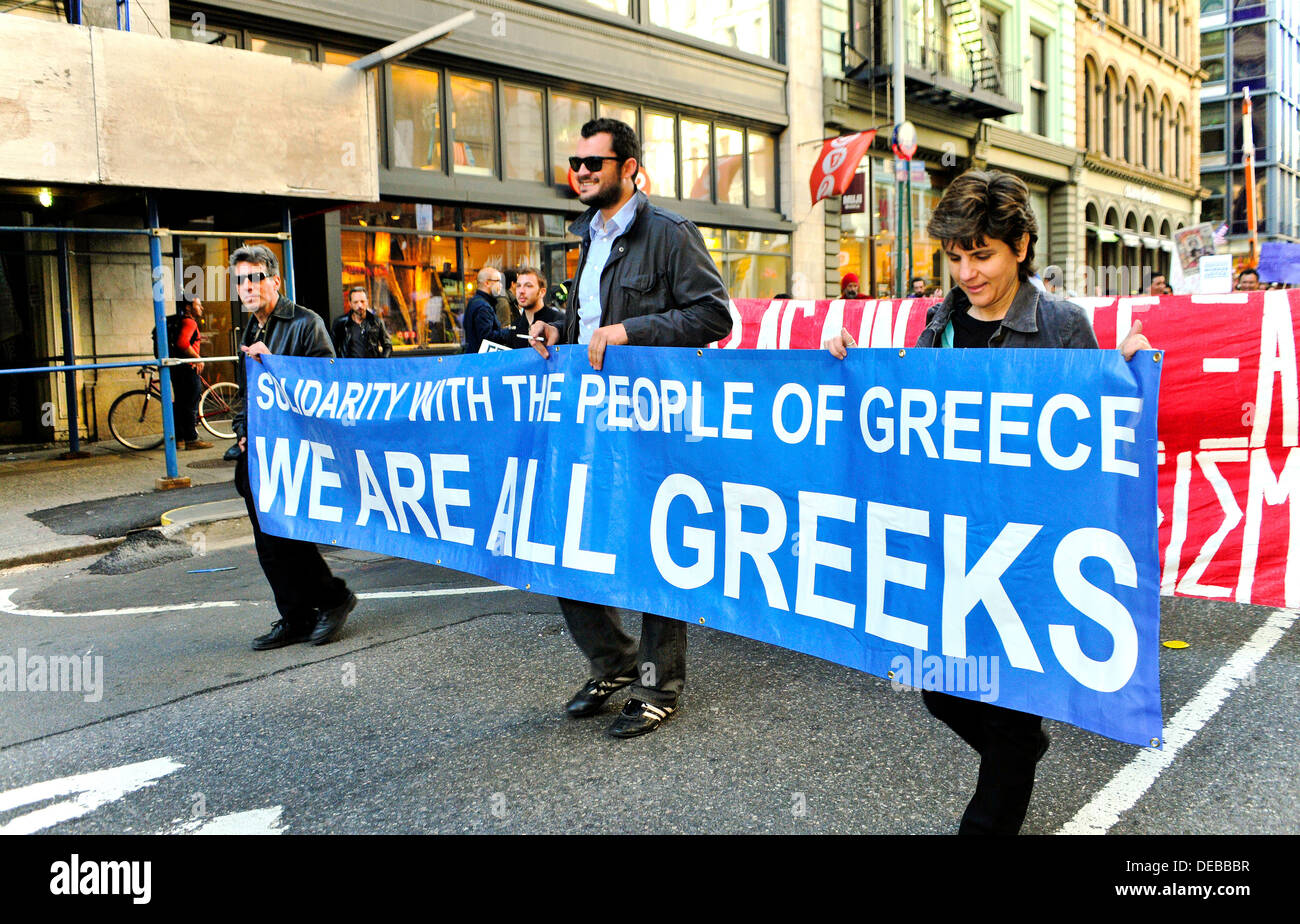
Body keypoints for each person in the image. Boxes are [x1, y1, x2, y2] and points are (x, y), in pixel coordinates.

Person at [827, 169, 1150, 834]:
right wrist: (853, 367)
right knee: (939, 689)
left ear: (1021, 246)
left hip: (1030, 553)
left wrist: (1128, 373)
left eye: (983, 255)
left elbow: (1098, 436)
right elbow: (910, 415)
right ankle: (1023, 747)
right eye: (956, 256)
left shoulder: (1062, 325)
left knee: (1008, 710)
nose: (968, 272)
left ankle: (1002, 784)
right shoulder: (940, 321)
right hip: (956, 546)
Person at [527, 117, 732, 738]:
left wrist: (631, 333)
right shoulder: (588, 236)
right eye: (576, 162)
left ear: (629, 168)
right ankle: (611, 662)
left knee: (651, 549)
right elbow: (591, 313)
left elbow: (713, 314)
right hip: (588, 416)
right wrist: (559, 328)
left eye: (595, 163)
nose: (582, 172)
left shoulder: (669, 234)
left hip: (651, 422)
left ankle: (657, 684)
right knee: (562, 539)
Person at [229, 244, 357, 651]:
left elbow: (327, 384)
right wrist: (241, 430)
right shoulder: (250, 328)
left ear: (275, 281)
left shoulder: (306, 323)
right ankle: (296, 617)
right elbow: (246, 390)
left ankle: (334, 599)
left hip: (296, 446)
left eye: (254, 278)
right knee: (267, 540)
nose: (247, 288)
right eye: (239, 282)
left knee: (288, 533)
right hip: (260, 449)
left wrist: (279, 363)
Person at [171, 295, 212, 451]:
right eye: (198, 305)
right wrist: (198, 358)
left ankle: (179, 439)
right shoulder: (189, 322)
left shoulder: (180, 322)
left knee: (181, 404)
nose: (201, 308)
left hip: (178, 368)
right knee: (190, 404)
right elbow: (182, 343)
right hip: (188, 368)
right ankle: (191, 439)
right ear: (188, 307)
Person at [462, 267, 515, 354]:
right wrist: (508, 332)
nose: (501, 286)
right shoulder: (483, 307)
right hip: (481, 361)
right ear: (487, 283)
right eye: (498, 281)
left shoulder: (474, 302)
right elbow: (487, 338)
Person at [331, 286, 393, 359]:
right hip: (349, 368)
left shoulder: (376, 321)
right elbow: (332, 348)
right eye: (356, 302)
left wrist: (381, 363)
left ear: (367, 301)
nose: (359, 305)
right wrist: (340, 365)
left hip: (371, 367)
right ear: (350, 303)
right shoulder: (340, 323)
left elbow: (387, 345)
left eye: (362, 301)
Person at [510, 266, 558, 347]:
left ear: (542, 292)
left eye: (528, 286)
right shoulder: (515, 326)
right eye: (518, 286)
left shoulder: (558, 321)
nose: (521, 291)